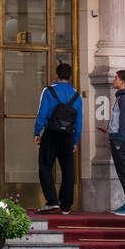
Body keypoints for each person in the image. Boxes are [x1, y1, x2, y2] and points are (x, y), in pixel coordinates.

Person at [33, 62, 82, 214]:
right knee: (68, 169)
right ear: (70, 76)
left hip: (51, 133)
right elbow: (79, 121)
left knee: (45, 165)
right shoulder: (76, 96)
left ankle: (52, 200)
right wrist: (75, 140)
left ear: (57, 75)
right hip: (68, 136)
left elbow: (42, 112)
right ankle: (66, 205)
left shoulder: (48, 91)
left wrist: (37, 132)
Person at [97, 69, 125, 215]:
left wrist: (118, 139)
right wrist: (109, 129)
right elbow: (119, 120)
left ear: (122, 81)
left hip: (121, 139)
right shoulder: (123, 97)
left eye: (116, 78)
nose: (113, 80)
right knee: (123, 171)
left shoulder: (124, 98)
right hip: (118, 136)